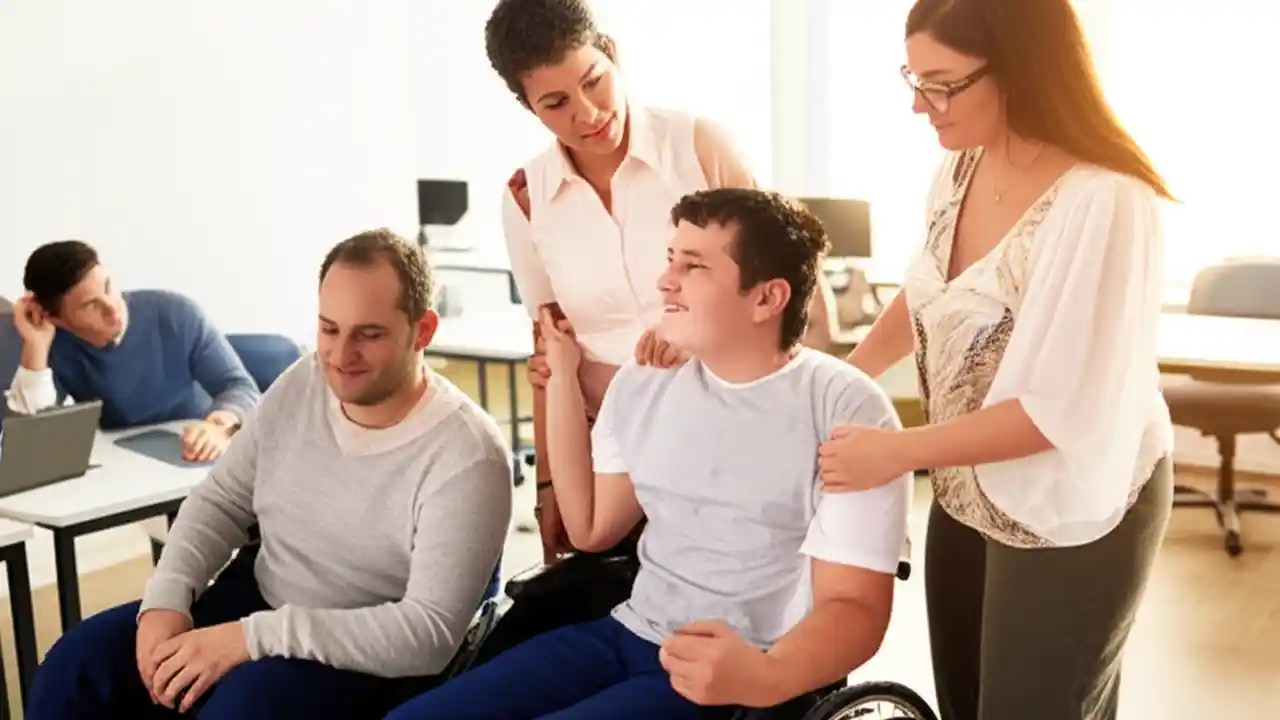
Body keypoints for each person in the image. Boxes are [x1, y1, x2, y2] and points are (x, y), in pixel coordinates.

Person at [385, 188, 909, 720]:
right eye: (670, 259)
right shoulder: (648, 381)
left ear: (767, 298)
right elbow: (591, 529)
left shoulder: (844, 408)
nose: (666, 280)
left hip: (739, 666)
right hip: (628, 632)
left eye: (695, 266)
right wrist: (563, 377)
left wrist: (764, 676)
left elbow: (855, 608)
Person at [817, 1, 1175, 718]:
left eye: (942, 84)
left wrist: (897, 452)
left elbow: (1057, 412)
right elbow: (925, 294)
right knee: (965, 701)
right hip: (968, 480)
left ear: (1022, 69)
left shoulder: (1106, 201)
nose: (920, 106)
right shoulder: (961, 166)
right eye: (913, 80)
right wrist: (834, 383)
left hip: (1068, 502)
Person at [26, 229, 514, 720]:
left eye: (369, 335)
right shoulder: (303, 382)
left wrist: (251, 639)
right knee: (75, 667)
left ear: (423, 331)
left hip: (363, 649)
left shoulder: (468, 455)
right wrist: (166, 599)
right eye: (329, 329)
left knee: (238, 711)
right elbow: (221, 501)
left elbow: (426, 635)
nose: (341, 357)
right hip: (258, 599)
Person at [481, 0, 839, 653]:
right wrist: (552, 486)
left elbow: (789, 280)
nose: (586, 114)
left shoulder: (699, 147)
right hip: (610, 446)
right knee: (606, 619)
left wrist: (701, 341)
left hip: (729, 435)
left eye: (593, 80)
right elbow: (550, 343)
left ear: (612, 52)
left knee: (724, 628)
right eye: (555, 102)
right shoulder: (526, 195)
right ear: (527, 106)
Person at [5, 240, 260, 462]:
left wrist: (219, 426)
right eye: (90, 305)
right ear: (56, 319)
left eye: (107, 287)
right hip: (124, 463)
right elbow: (34, 440)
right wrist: (35, 348)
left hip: (196, 452)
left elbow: (240, 386)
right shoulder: (55, 343)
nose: (113, 309)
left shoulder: (176, 313)